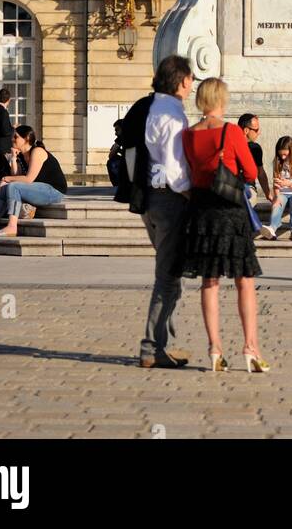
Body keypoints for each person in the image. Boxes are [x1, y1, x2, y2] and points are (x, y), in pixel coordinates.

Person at [180, 78, 268, 374]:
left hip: (201, 211)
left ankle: (215, 348)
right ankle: (251, 348)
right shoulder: (231, 131)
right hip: (230, 210)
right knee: (244, 279)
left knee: (210, 281)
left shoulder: (189, 134)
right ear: (222, 99)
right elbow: (251, 170)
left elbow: (189, 171)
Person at [116, 55, 193, 370]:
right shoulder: (173, 114)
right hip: (169, 198)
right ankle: (152, 348)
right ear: (180, 81)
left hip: (146, 198)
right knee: (167, 277)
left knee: (171, 275)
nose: (191, 86)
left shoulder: (146, 106)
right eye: (189, 80)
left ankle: (165, 343)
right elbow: (176, 169)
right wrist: (192, 194)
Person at [0, 126, 67, 238]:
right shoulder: (21, 155)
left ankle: (12, 226)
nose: (12, 139)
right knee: (6, 188)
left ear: (27, 138)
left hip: (54, 190)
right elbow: (17, 177)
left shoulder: (37, 151)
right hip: (37, 188)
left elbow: (28, 179)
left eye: (16, 137)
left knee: (11, 186)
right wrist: (14, 159)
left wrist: (5, 179)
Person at [262, 136, 292, 242]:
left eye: (285, 154)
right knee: (276, 206)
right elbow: (276, 184)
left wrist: (289, 184)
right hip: (283, 193)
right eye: (280, 154)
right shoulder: (277, 161)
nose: (283, 157)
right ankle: (272, 229)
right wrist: (276, 196)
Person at [237, 113, 271, 235]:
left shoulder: (254, 148)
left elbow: (260, 173)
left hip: (247, 188)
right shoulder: (233, 144)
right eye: (256, 130)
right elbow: (260, 173)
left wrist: (268, 194)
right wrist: (268, 194)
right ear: (246, 130)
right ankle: (256, 224)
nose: (259, 133)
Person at [106, 119, 124, 189]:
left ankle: (117, 186)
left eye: (117, 130)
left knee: (111, 162)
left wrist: (117, 149)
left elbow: (111, 155)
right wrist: (120, 150)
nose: (115, 133)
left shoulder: (121, 137)